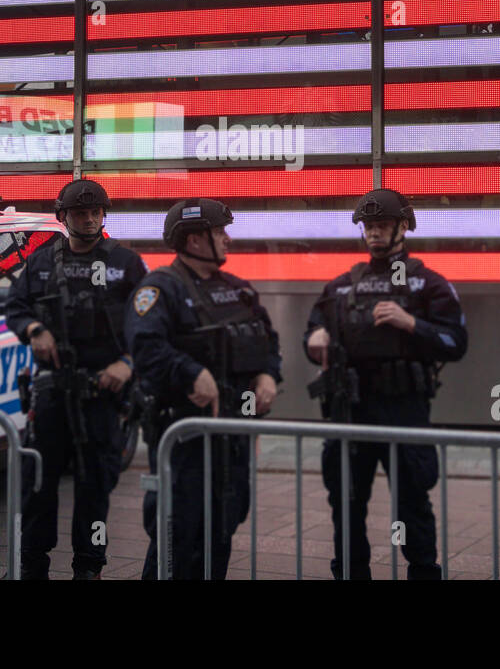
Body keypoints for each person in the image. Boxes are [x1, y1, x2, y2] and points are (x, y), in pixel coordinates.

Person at [303, 188, 467, 580]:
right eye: (369, 227)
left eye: (382, 226)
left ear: (403, 228)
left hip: (403, 409)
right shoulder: (343, 286)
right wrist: (315, 339)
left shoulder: (427, 284)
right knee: (347, 501)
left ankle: (423, 571)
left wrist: (411, 323)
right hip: (351, 409)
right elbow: (312, 330)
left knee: (411, 503)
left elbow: (456, 343)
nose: (374, 234)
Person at [125, 198, 281, 580]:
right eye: (218, 233)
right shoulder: (161, 289)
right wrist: (191, 372)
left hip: (232, 435)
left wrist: (268, 375)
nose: (227, 239)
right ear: (194, 240)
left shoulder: (239, 290)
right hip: (185, 440)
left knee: (221, 531)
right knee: (176, 538)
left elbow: (267, 343)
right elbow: (145, 347)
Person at [4, 178, 148, 580]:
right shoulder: (42, 261)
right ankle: (32, 566)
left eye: (95, 212)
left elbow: (150, 325)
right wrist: (34, 329)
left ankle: (90, 567)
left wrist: (127, 362)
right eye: (79, 212)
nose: (88, 219)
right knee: (38, 486)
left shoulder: (126, 263)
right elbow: (15, 305)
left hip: (103, 395)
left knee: (95, 489)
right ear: (63, 216)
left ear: (104, 215)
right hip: (52, 395)